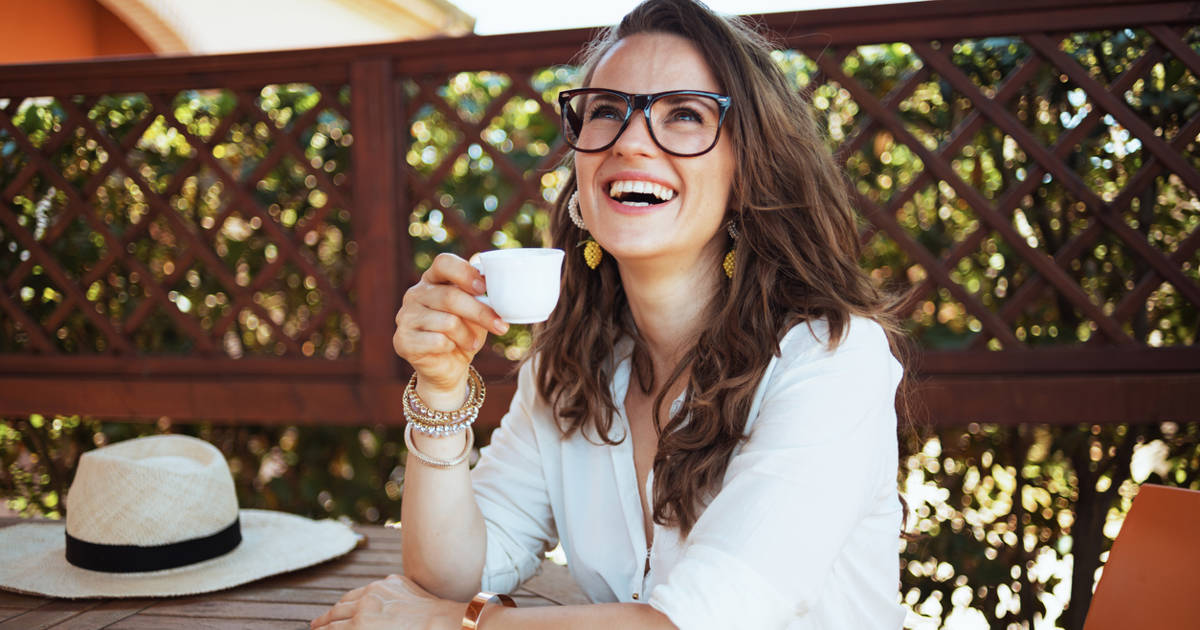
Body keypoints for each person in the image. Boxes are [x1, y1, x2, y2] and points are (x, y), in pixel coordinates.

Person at [312, 0, 909, 628]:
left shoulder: (833, 363)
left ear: (749, 166)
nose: (630, 141)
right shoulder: (571, 366)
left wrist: (447, 625)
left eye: (683, 114)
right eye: (606, 112)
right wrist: (439, 392)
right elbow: (457, 572)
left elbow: (703, 621)